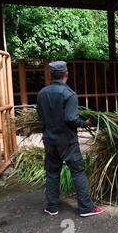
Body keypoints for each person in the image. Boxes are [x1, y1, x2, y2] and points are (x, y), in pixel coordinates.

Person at [37, 61, 105, 218]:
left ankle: (52, 207)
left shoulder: (42, 93)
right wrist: (85, 123)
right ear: (66, 74)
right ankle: (86, 207)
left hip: (49, 140)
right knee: (78, 171)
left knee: (52, 172)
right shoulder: (69, 94)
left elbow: (40, 116)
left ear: (50, 75)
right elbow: (71, 118)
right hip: (66, 141)